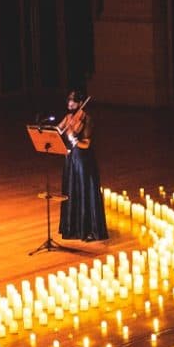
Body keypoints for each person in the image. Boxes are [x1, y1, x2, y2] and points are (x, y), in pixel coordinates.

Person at [56, 91, 107, 242]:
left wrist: (74, 140)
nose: (70, 104)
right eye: (68, 101)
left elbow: (87, 144)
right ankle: (72, 228)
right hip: (71, 159)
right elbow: (59, 130)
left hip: (83, 161)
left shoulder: (87, 119)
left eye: (73, 102)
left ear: (80, 103)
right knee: (72, 190)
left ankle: (88, 229)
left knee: (85, 191)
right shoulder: (68, 117)